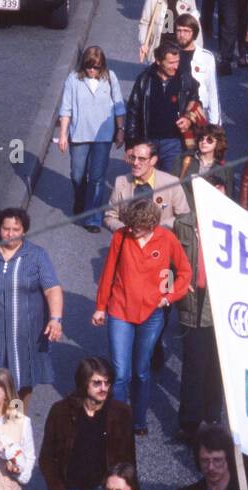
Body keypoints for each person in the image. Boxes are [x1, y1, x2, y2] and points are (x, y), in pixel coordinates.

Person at [92, 197, 191, 437]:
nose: (132, 230)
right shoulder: (121, 237)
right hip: (120, 310)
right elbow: (108, 273)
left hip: (152, 313)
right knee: (121, 371)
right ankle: (117, 422)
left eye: (137, 227)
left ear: (151, 224)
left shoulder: (167, 239)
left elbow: (184, 272)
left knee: (141, 370)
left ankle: (138, 420)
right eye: (130, 225)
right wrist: (100, 307)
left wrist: (170, 296)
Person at [0, 208, 64, 405]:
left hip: (24, 336)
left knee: (21, 381)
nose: (10, 234)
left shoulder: (37, 256)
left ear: (24, 231)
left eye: (16, 229)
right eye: (5, 229)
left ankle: (16, 424)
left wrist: (55, 319)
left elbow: (52, 289)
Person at [41, 358, 136, 490]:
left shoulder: (121, 413)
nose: (104, 388)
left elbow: (129, 460)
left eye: (107, 382)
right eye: (97, 383)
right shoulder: (61, 412)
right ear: (84, 383)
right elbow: (46, 458)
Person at [174, 170, 228, 438]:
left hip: (221, 301)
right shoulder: (183, 224)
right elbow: (171, 262)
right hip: (193, 298)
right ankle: (190, 423)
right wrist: (176, 286)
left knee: (217, 363)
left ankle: (213, 418)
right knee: (194, 362)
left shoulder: (232, 225)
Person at [57, 47, 125, 233]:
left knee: (97, 178)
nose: (92, 71)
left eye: (96, 67)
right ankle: (81, 198)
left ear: (102, 66)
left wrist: (120, 130)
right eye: (89, 67)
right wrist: (63, 134)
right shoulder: (73, 79)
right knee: (77, 175)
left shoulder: (110, 78)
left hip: (103, 137)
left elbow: (119, 106)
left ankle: (93, 218)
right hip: (79, 135)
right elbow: (66, 109)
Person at [124, 43, 201, 176]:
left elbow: (196, 101)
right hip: (148, 141)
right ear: (159, 61)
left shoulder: (185, 78)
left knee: (169, 183)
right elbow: (133, 111)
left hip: (174, 142)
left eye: (177, 62)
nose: (175, 66)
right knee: (146, 182)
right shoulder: (144, 79)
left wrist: (188, 117)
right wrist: (130, 145)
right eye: (171, 63)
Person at [104, 141, 191, 231]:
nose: (135, 163)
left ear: (153, 160)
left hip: (160, 239)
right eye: (133, 157)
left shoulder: (171, 183)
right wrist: (126, 230)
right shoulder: (121, 182)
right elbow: (110, 216)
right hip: (129, 240)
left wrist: (155, 230)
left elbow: (183, 217)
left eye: (141, 159)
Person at [137, 0, 200, 66]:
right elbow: (145, 22)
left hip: (180, 46)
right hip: (160, 45)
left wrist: (198, 48)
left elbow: (195, 24)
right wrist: (143, 43)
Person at [174, 15, 219, 125]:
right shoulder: (170, 54)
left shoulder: (206, 57)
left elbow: (212, 89)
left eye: (186, 31)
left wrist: (215, 123)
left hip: (198, 111)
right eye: (179, 30)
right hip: (174, 110)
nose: (182, 35)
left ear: (194, 33)